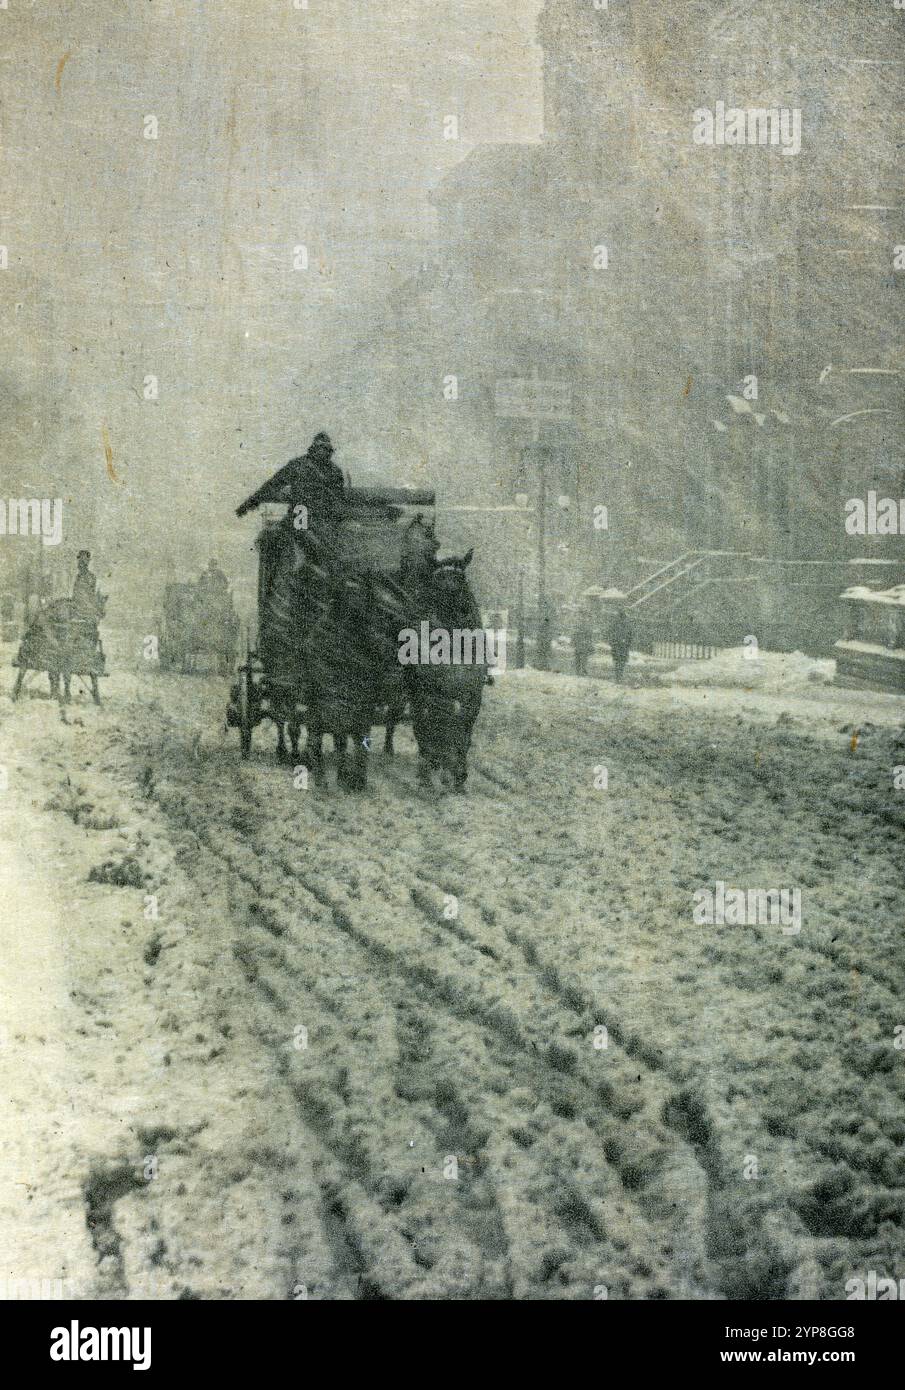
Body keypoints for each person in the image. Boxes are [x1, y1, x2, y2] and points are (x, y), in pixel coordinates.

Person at [608, 604, 632, 682]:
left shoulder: (615, 624)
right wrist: (627, 644)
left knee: (618, 662)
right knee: (621, 662)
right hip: (622, 647)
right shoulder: (626, 624)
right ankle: (619, 677)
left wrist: (612, 643)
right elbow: (630, 636)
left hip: (618, 646)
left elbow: (611, 634)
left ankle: (618, 677)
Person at [572, 608, 594, 677]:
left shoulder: (580, 622)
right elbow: (575, 633)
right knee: (581, 657)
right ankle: (581, 671)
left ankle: (580, 671)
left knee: (580, 657)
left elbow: (575, 633)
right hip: (582, 643)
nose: (582, 616)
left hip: (581, 642)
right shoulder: (585, 623)